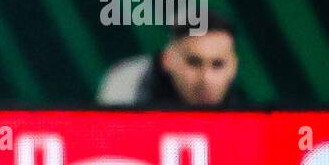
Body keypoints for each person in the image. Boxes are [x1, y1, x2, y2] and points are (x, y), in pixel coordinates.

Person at [97, 14, 242, 107]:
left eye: (217, 64)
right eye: (193, 62)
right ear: (167, 60)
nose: (206, 78)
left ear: (233, 67)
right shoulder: (127, 86)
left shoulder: (250, 121)